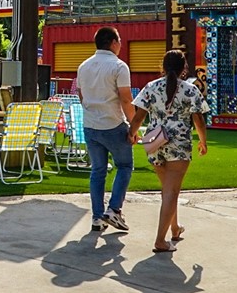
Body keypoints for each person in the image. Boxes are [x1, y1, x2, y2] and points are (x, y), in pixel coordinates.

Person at [130, 49, 209, 254]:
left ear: (163, 67)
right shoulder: (190, 90)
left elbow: (139, 116)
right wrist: (203, 142)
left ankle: (175, 228)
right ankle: (159, 240)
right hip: (179, 143)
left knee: (168, 189)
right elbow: (198, 119)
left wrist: (131, 134)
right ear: (184, 68)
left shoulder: (151, 87)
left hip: (154, 141)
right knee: (171, 191)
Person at [76, 26, 137, 233]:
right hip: (113, 124)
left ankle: (97, 217)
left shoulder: (83, 66)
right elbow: (126, 99)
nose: (120, 44)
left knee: (98, 171)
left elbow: (81, 94)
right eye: (119, 40)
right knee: (125, 166)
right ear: (113, 42)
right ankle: (114, 209)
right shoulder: (119, 67)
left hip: (90, 125)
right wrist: (134, 126)